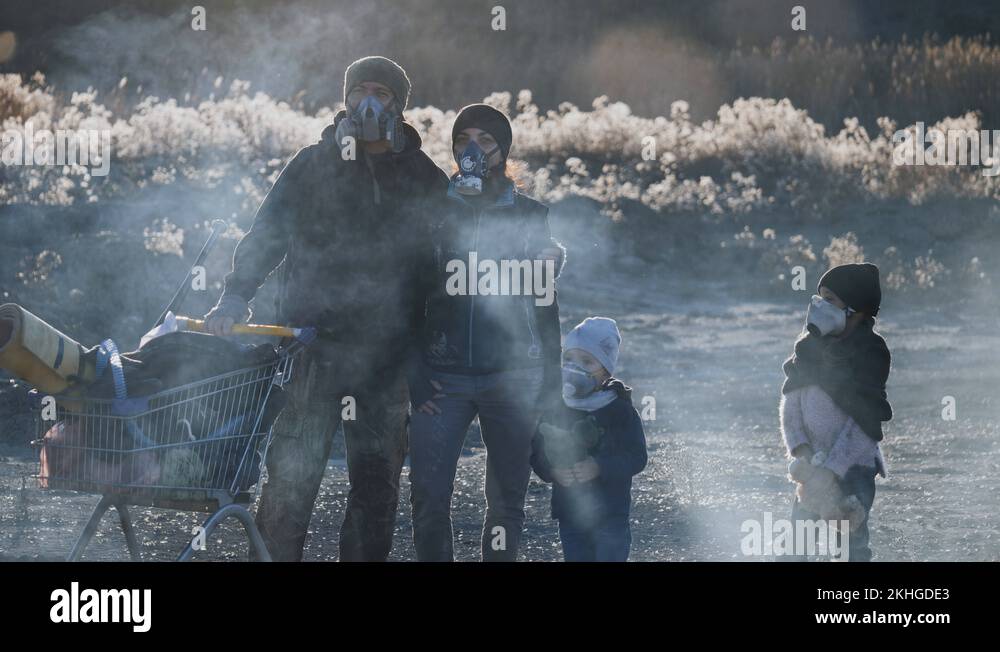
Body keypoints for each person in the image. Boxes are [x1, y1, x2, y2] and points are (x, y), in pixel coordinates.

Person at [204, 56, 449, 561]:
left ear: (399, 107)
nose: (369, 103)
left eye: (382, 92)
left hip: (386, 360)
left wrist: (424, 356)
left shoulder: (424, 177)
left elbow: (440, 277)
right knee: (289, 483)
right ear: (345, 99)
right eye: (360, 90)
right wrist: (234, 294)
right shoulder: (311, 165)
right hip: (309, 348)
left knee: (376, 491)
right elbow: (266, 235)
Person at [407, 103, 565, 561]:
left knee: (506, 504)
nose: (472, 150)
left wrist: (550, 382)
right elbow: (408, 296)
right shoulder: (433, 212)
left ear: (503, 151)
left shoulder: (530, 216)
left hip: (513, 377)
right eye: (462, 140)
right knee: (428, 499)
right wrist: (415, 369)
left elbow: (544, 303)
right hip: (443, 379)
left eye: (486, 140)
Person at [779, 263, 892, 562]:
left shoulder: (871, 353)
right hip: (813, 464)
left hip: (853, 468)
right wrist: (802, 453)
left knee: (850, 548)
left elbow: (864, 423)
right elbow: (792, 403)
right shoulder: (808, 348)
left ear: (856, 311)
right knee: (796, 544)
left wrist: (831, 471)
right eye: (819, 297)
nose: (818, 306)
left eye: (830, 299)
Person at [530, 317, 647, 562]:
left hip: (610, 513)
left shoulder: (619, 410)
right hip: (570, 513)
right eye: (569, 360)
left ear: (605, 370)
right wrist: (553, 471)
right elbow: (537, 452)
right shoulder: (556, 406)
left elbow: (637, 458)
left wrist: (599, 466)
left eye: (586, 361)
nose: (575, 368)